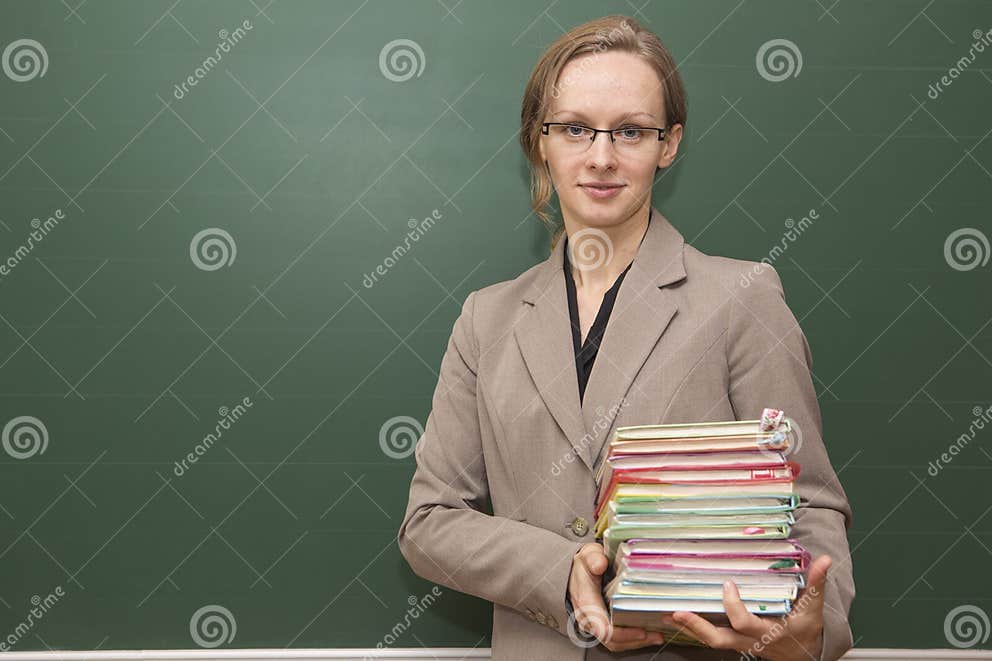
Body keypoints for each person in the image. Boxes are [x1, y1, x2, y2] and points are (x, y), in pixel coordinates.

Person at [398, 14, 854, 661]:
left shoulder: (742, 299)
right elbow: (430, 523)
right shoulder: (486, 318)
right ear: (540, 140)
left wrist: (814, 630)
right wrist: (561, 569)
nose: (602, 156)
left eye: (632, 131)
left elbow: (807, 503)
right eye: (576, 128)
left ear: (669, 144)